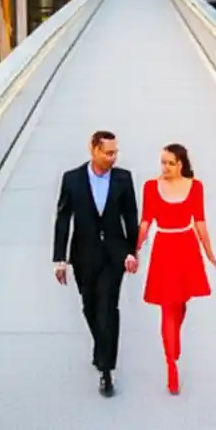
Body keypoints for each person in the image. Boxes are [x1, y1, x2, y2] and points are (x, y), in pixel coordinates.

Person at [53, 130, 139, 398]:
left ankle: (106, 370)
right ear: (93, 149)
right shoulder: (72, 179)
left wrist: (131, 252)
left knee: (108, 310)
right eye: (108, 153)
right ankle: (100, 347)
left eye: (115, 153)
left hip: (114, 256)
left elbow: (131, 216)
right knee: (89, 306)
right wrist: (60, 259)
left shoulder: (123, 178)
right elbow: (63, 218)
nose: (113, 157)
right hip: (84, 256)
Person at [136, 143, 216, 395]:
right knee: (168, 306)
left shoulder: (195, 187)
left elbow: (200, 223)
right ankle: (171, 365)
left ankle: (173, 341)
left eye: (170, 163)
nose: (165, 167)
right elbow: (145, 222)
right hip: (164, 248)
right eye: (162, 162)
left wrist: (211, 256)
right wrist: (135, 250)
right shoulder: (150, 187)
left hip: (186, 248)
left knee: (181, 302)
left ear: (180, 165)